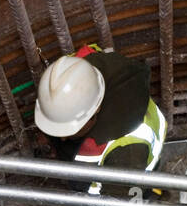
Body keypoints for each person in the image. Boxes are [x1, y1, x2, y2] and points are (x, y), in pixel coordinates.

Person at [33, 44, 167, 194]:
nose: (62, 138)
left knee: (137, 201)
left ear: (95, 110)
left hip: (131, 179)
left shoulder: (128, 152)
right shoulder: (75, 73)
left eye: (71, 128)